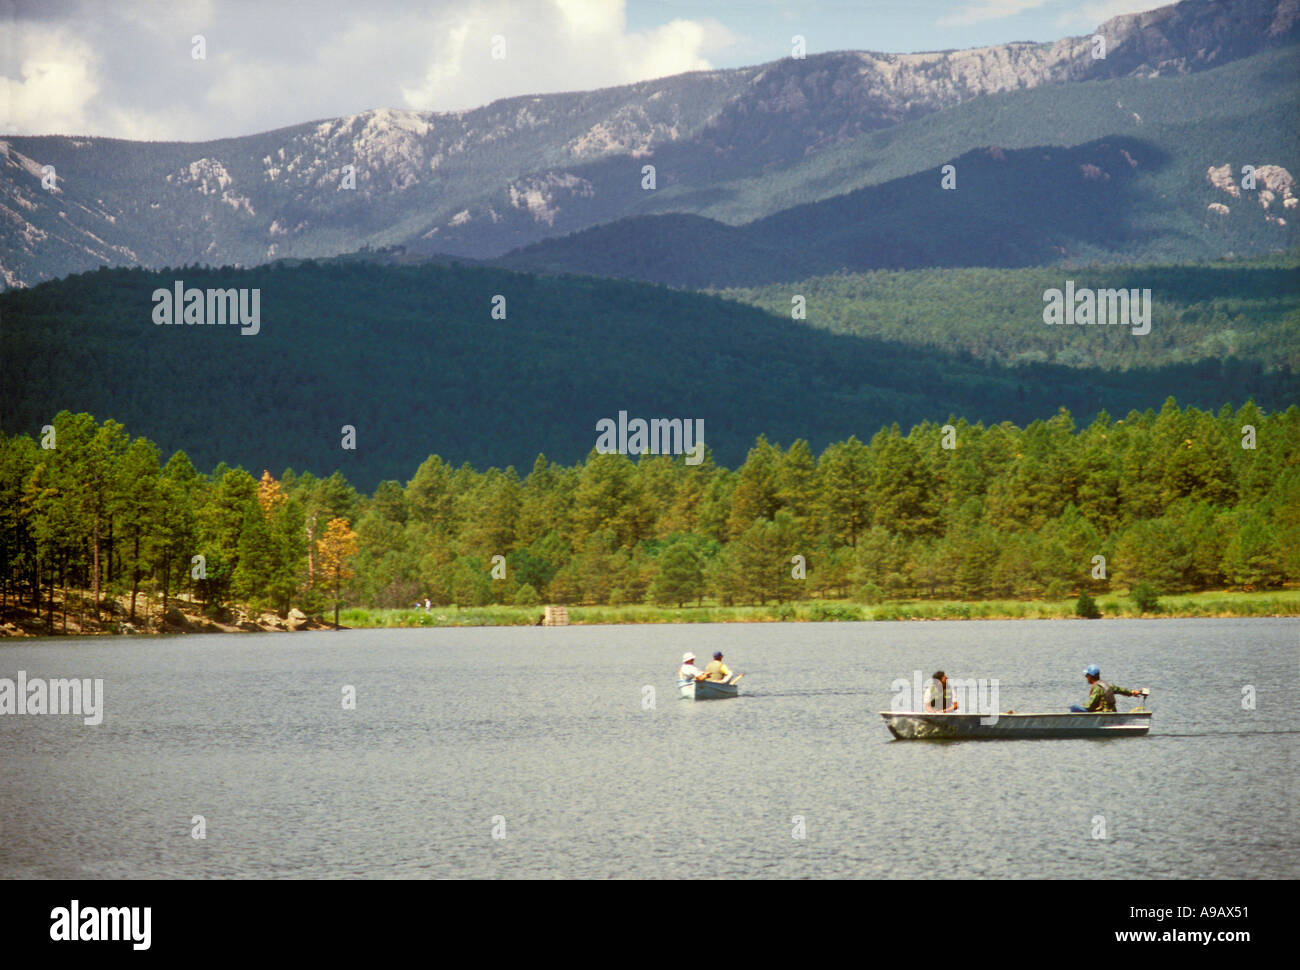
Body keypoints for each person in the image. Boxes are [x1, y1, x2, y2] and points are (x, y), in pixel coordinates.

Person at [1070, 664, 1146, 712]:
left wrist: (1083, 705)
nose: (1086, 677)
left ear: (1090, 676)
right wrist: (1132, 692)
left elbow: (1090, 706)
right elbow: (1120, 690)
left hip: (1102, 713)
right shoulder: (1106, 685)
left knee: (1074, 707)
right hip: (1112, 712)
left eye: (1086, 675)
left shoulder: (1097, 687)